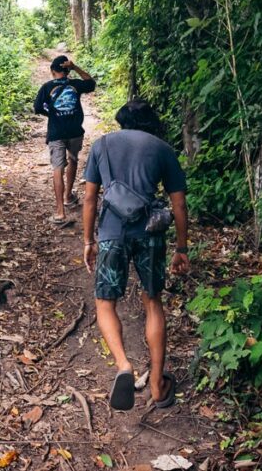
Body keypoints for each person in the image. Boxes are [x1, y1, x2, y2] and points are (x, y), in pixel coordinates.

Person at [81, 100, 189, 410]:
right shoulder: (162, 149)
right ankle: (157, 384)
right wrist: (182, 248)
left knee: (105, 302)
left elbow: (90, 199)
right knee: (152, 301)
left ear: (122, 121)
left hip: (112, 233)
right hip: (150, 234)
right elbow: (179, 205)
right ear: (151, 122)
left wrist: (89, 240)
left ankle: (123, 366)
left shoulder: (102, 146)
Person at [33, 55, 96, 225]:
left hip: (56, 132)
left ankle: (60, 212)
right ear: (67, 71)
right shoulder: (75, 84)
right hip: (75, 131)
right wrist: (76, 67)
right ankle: (68, 196)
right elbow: (91, 83)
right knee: (73, 159)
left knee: (57, 168)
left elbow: (37, 108)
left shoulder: (46, 87)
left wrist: (51, 113)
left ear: (53, 71)